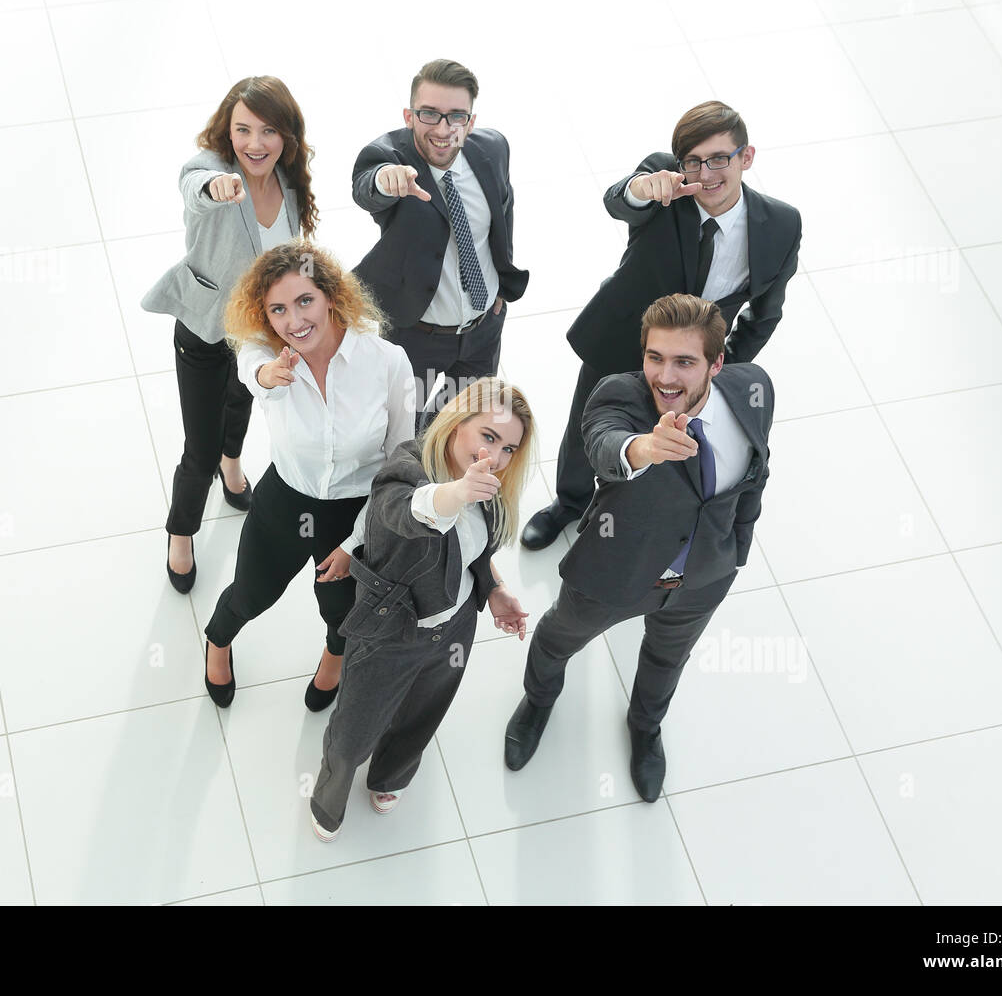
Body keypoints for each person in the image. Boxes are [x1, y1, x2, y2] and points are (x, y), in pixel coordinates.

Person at [504, 294, 774, 802]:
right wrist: (643, 449)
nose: (665, 377)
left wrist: (737, 548)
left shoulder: (753, 388)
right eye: (655, 357)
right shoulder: (619, 397)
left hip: (703, 574)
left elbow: (758, 470)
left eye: (684, 362)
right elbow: (605, 442)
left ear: (718, 363)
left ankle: (645, 727)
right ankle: (539, 700)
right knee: (559, 638)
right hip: (615, 572)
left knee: (668, 658)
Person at [520, 101, 799, 550]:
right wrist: (641, 190)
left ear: (746, 158)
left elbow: (765, 312)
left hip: (694, 361)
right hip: (621, 336)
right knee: (586, 427)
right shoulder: (664, 183)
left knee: (664, 442)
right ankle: (569, 504)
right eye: (693, 161)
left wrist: (720, 369)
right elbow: (619, 201)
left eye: (719, 159)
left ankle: (617, 517)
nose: (705, 174)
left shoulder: (781, 224)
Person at [308, 378, 536, 841]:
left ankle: (391, 775)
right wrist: (457, 493)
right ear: (457, 423)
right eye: (488, 436)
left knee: (423, 714)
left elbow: (472, 552)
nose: (497, 455)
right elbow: (403, 511)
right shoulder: (408, 466)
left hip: (452, 627)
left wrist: (494, 589)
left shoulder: (490, 490)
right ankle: (330, 794)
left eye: (510, 447)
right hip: (390, 627)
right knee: (354, 727)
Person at [200, 242, 415, 712]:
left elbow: (400, 462)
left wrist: (355, 539)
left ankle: (333, 659)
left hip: (355, 510)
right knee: (250, 592)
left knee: (342, 608)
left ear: (331, 296)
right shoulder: (267, 354)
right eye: (278, 309)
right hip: (287, 499)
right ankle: (218, 641)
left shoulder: (387, 361)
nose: (294, 321)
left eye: (304, 301)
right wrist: (268, 374)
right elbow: (251, 369)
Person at [142, 76, 317, 592]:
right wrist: (215, 189)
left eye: (268, 131)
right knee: (198, 445)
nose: (255, 144)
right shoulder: (211, 169)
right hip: (203, 326)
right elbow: (194, 187)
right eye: (243, 130)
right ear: (228, 130)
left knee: (241, 404)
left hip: (256, 332)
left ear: (286, 135)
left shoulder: (289, 180)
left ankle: (233, 463)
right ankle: (181, 530)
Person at [350, 58, 526, 423]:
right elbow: (367, 187)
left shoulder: (493, 149)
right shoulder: (389, 158)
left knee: (458, 430)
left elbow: (503, 213)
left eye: (456, 116)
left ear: (471, 121)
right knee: (399, 432)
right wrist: (387, 180)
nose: (444, 129)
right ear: (409, 115)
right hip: (415, 337)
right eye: (429, 114)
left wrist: (501, 290)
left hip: (482, 331)